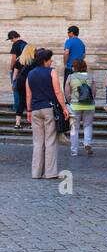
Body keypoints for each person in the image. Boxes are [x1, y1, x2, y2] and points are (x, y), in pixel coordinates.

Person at [27, 49, 69, 180]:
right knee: (50, 141)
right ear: (44, 60)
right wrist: (64, 108)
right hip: (49, 108)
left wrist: (28, 110)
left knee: (38, 142)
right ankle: (50, 172)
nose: (51, 61)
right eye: (50, 59)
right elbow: (58, 92)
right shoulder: (51, 72)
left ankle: (36, 172)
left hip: (35, 109)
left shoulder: (30, 74)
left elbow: (29, 94)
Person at [64, 58, 96, 157]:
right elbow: (94, 93)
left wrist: (69, 102)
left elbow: (67, 93)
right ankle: (87, 143)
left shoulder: (70, 77)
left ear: (75, 67)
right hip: (89, 106)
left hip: (75, 105)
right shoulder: (91, 77)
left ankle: (74, 151)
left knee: (74, 128)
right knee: (88, 125)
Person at [13, 43, 37, 130]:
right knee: (31, 101)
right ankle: (31, 123)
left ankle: (17, 123)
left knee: (21, 101)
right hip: (30, 81)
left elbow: (15, 74)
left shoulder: (19, 60)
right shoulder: (34, 61)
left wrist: (14, 83)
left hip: (20, 81)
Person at [8, 30, 26, 128]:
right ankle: (22, 106)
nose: (11, 41)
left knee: (15, 88)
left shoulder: (16, 44)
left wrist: (11, 68)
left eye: (11, 39)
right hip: (25, 70)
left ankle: (17, 106)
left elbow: (13, 58)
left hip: (17, 70)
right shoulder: (25, 43)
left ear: (13, 37)